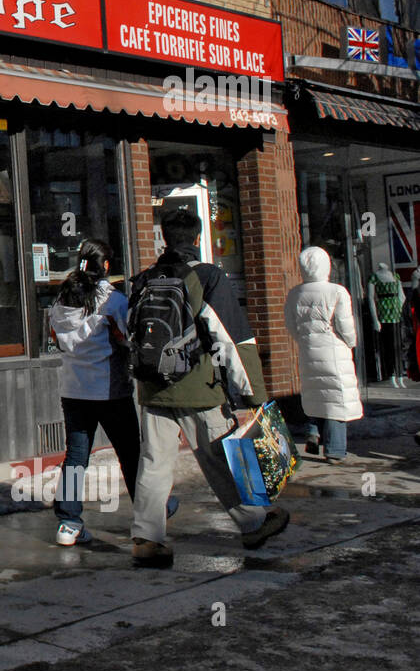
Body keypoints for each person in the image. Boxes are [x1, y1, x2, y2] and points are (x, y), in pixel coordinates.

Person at [127, 208, 289, 568]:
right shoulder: (207, 277)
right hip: (198, 387)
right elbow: (230, 338)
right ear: (198, 239)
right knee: (217, 456)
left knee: (154, 463)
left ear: (164, 238)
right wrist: (252, 394)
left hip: (152, 388)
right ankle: (254, 522)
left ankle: (146, 540)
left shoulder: (143, 280)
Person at [48, 240, 176, 546]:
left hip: (74, 389)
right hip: (109, 390)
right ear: (106, 266)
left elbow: (57, 338)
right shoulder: (111, 300)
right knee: (131, 453)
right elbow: (129, 339)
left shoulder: (60, 300)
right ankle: (152, 509)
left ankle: (68, 521)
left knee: (76, 456)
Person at [284, 246, 362, 463]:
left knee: (316, 392)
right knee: (336, 399)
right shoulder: (337, 292)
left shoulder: (295, 293)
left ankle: (313, 431)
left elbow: (290, 324)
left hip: (309, 350)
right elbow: (345, 325)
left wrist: (305, 340)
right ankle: (335, 450)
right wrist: (351, 342)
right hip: (334, 351)